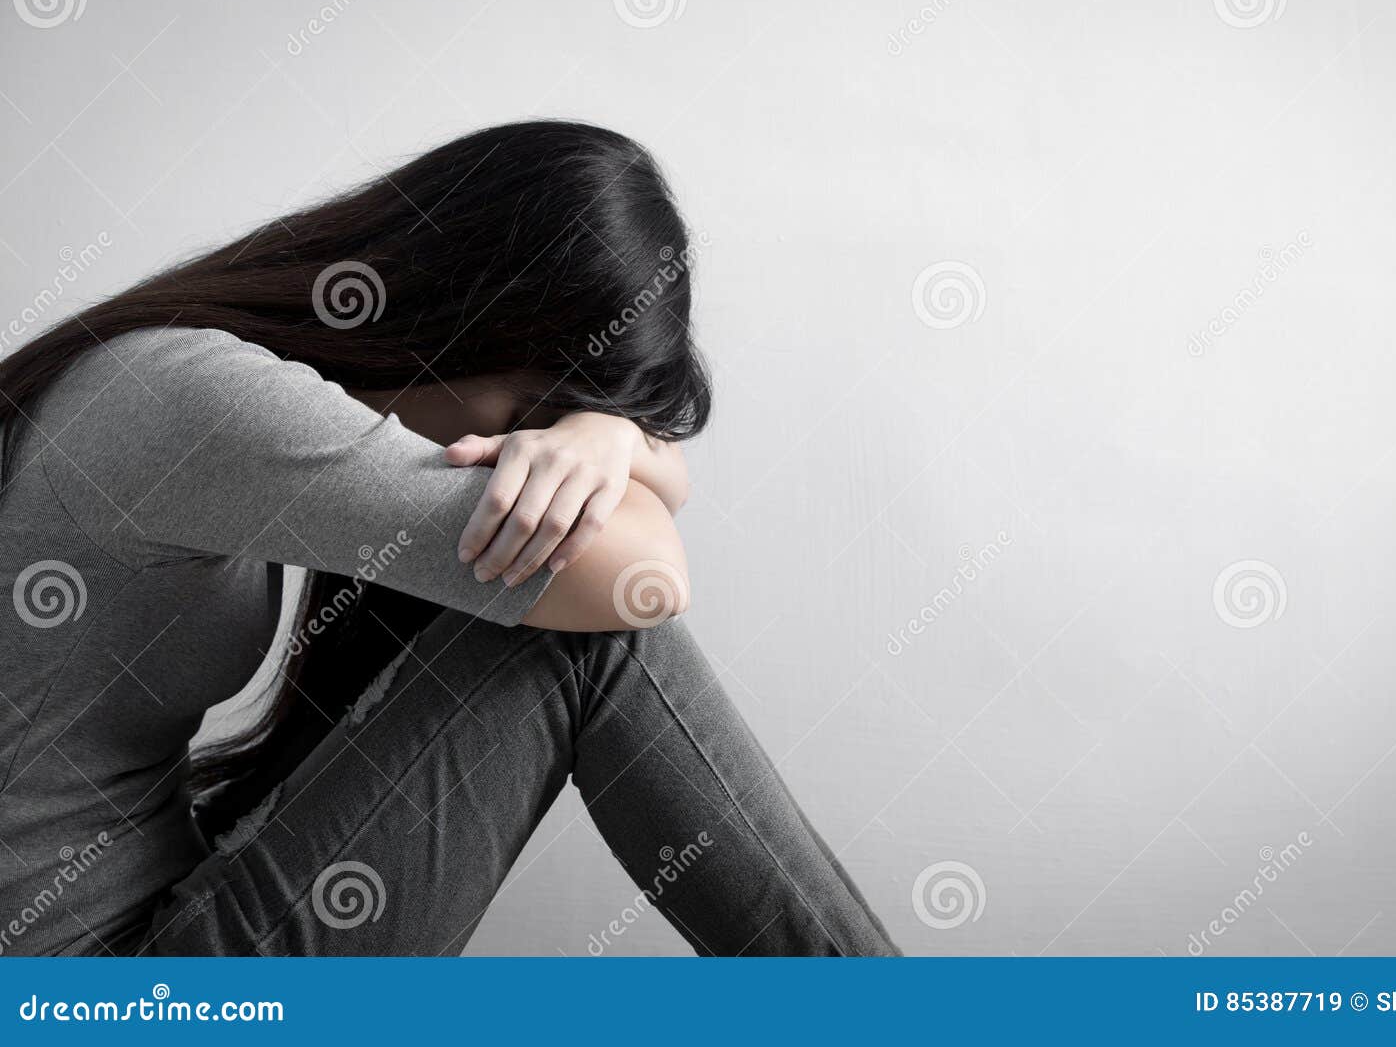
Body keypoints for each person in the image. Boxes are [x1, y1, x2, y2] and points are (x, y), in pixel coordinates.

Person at [0, 121, 897, 956]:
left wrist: (608, 437)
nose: (531, 464)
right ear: (462, 313)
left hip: (138, 940)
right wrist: (611, 445)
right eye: (532, 420)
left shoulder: (167, 371)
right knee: (577, 641)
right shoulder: (194, 398)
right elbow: (643, 586)